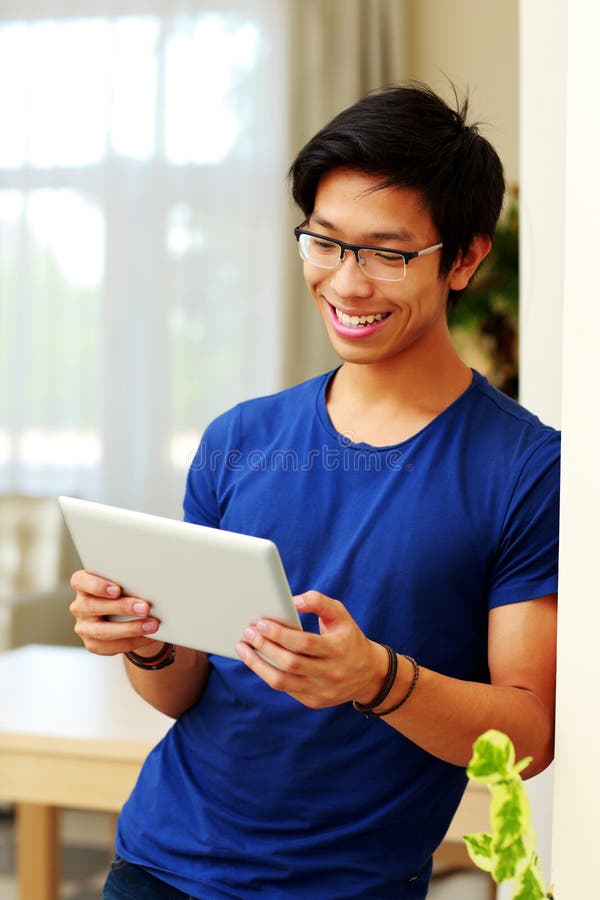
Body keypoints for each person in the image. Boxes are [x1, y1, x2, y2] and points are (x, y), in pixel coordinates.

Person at [70, 84, 559, 900]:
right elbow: (181, 692)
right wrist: (143, 639)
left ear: (465, 259)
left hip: (353, 886)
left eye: (387, 254)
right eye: (324, 243)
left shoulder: (526, 467)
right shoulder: (240, 438)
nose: (346, 283)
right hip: (158, 867)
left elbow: (530, 737)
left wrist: (375, 679)